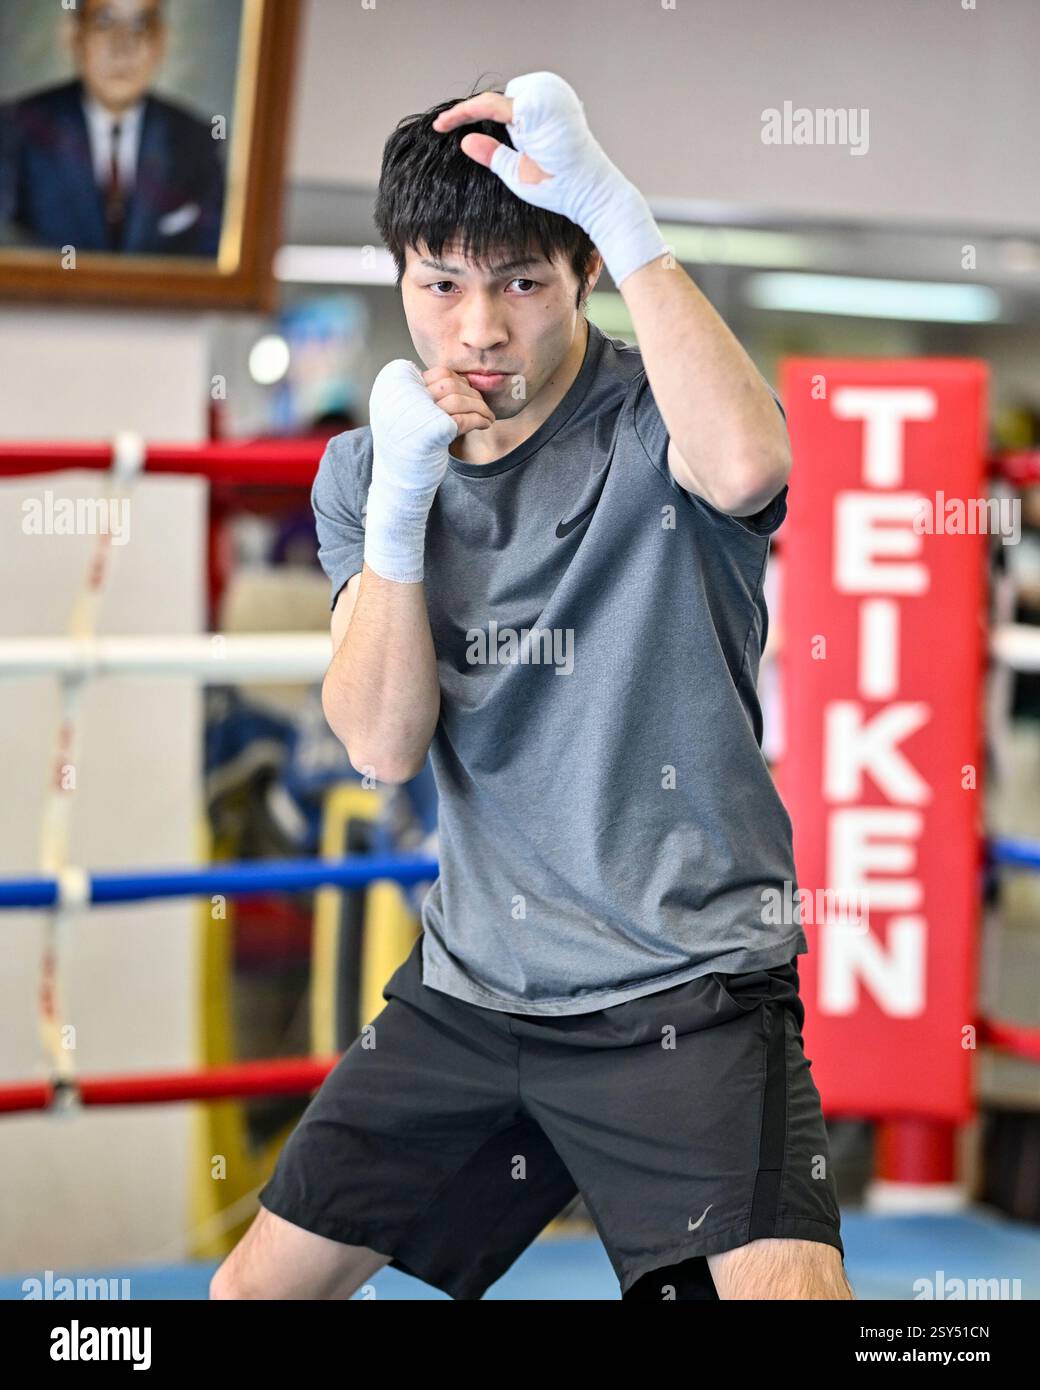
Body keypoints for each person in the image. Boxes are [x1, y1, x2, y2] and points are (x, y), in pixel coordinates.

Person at [212, 72, 854, 1301]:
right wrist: (400, 509)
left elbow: (747, 463)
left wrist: (615, 207)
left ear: (582, 278)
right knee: (250, 1296)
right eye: (440, 284)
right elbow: (384, 743)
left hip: (685, 987)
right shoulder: (365, 470)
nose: (478, 331)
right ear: (400, 278)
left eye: (520, 281)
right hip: (473, 990)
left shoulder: (654, 416)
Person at [0, 0, 224, 256]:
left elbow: (214, 260)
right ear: (73, 35)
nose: (122, 47)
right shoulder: (18, 129)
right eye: (104, 22)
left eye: (141, 25)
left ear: (162, 41)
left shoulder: (197, 143)